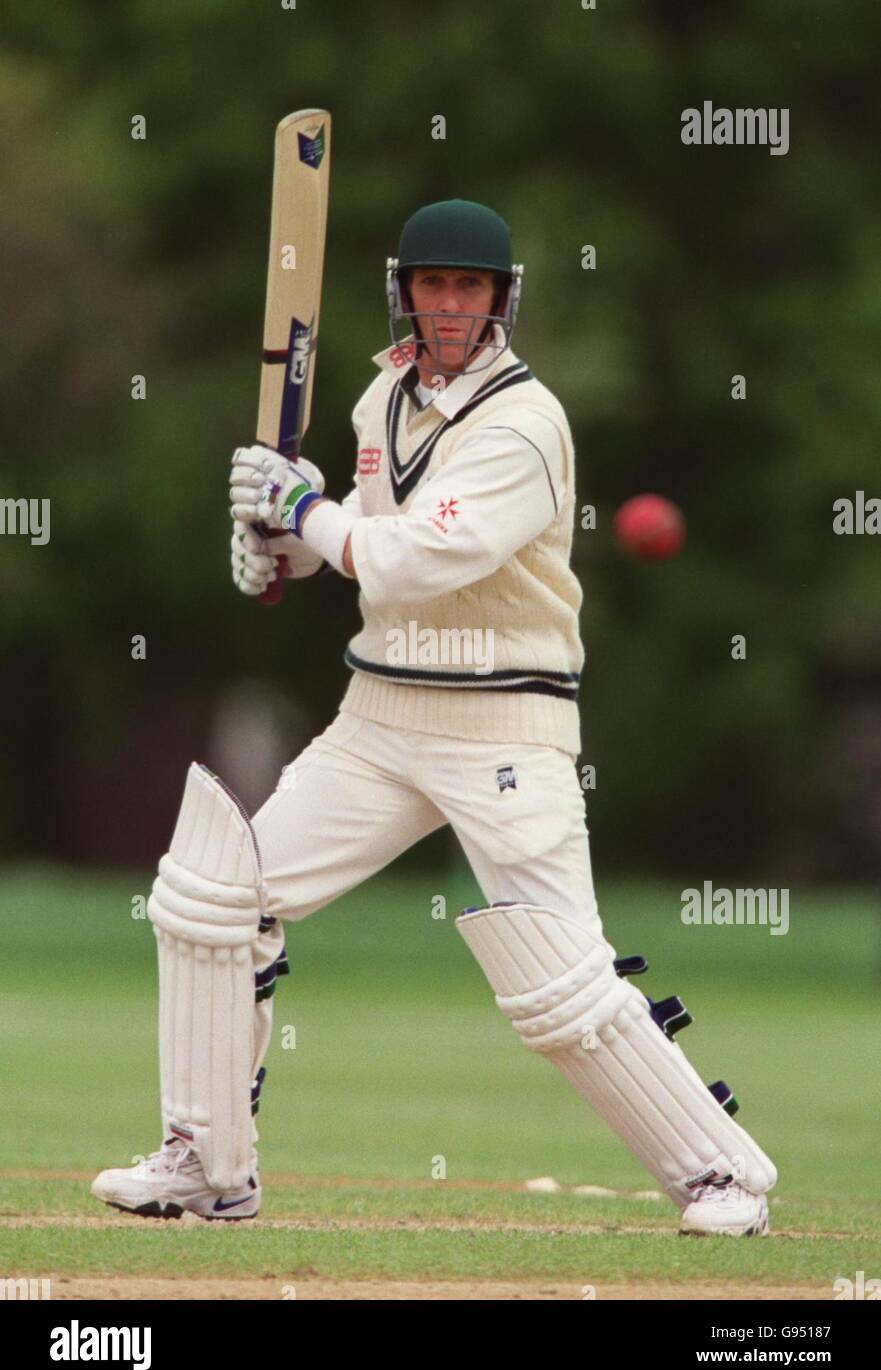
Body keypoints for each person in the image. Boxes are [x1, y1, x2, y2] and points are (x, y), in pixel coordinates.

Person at [92, 199, 776, 1236]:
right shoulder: (381, 399)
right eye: (432, 284)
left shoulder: (524, 424)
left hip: (504, 726)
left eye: (469, 286)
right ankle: (208, 1165)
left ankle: (721, 1175)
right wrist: (286, 544)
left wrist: (302, 509)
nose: (450, 304)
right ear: (402, 291)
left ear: (500, 299)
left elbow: (419, 559)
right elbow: (371, 537)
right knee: (213, 899)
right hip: (379, 717)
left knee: (557, 980)